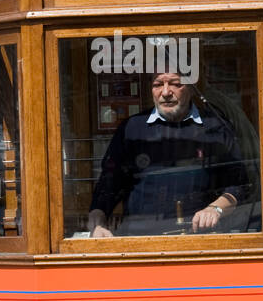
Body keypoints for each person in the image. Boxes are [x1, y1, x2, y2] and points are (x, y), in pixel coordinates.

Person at [88, 71, 247, 238]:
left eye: (175, 84)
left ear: (192, 88)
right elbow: (109, 183)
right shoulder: (131, 128)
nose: (165, 92)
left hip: (200, 239)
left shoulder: (215, 126)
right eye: (158, 85)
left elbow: (239, 186)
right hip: (141, 240)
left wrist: (215, 209)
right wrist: (98, 221)